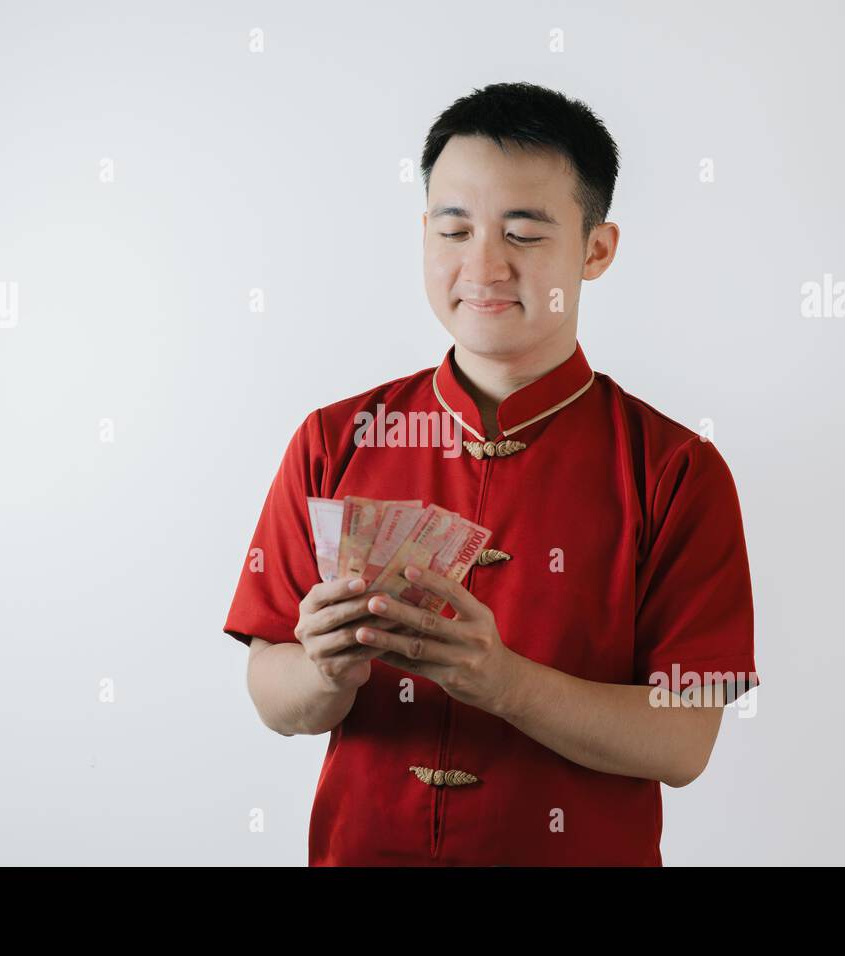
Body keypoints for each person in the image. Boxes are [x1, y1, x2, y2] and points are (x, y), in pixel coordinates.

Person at [223, 81, 759, 866]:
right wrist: (324, 672)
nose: (482, 265)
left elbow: (684, 740)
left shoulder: (677, 469)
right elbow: (271, 691)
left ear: (596, 249)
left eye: (523, 232)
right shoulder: (336, 437)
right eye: (455, 229)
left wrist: (503, 682)